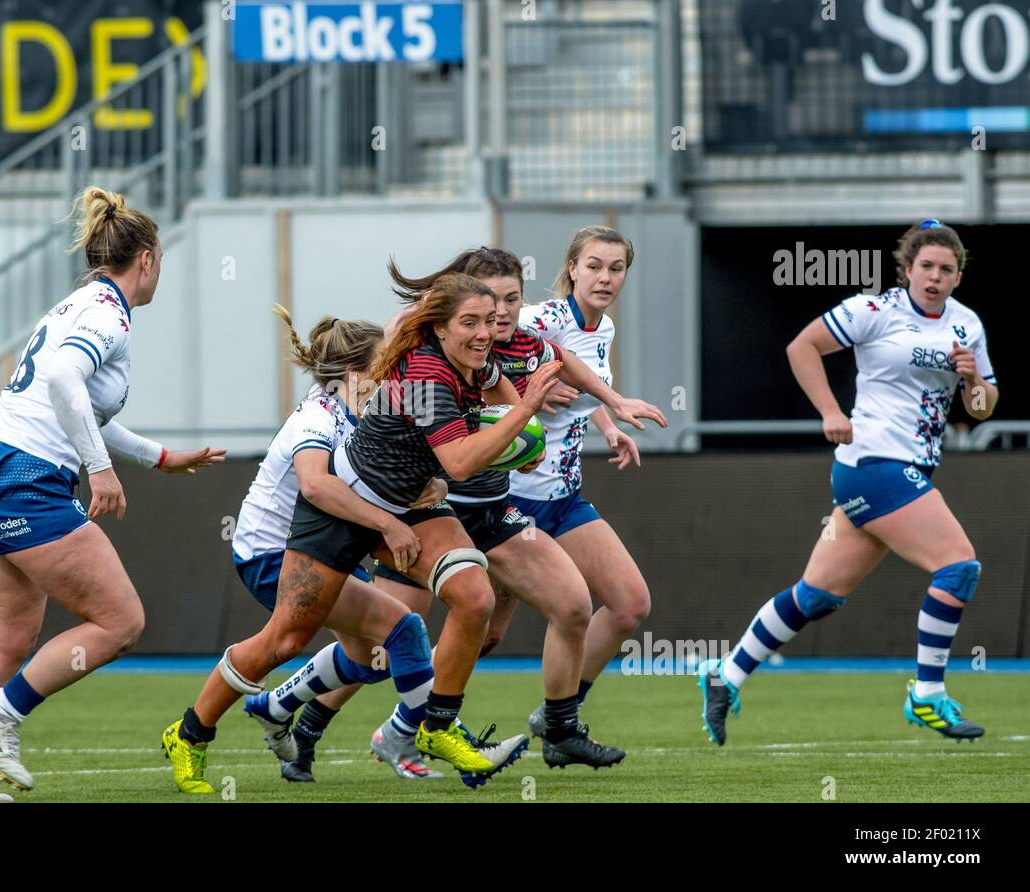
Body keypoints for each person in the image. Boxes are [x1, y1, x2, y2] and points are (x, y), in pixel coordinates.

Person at [275, 247, 665, 780]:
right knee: (383, 646)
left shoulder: (517, 339)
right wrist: (521, 412)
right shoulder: (443, 346)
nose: (502, 315)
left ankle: (537, 725)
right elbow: (411, 385)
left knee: (565, 607)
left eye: (511, 300)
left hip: (497, 509)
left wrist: (611, 406)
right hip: (433, 510)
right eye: (490, 305)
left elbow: (556, 361)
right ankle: (307, 721)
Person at [162, 272, 559, 794]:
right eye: (471, 321)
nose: (487, 331)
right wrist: (525, 415)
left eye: (490, 320)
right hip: (305, 532)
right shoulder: (373, 396)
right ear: (437, 330)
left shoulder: (455, 366)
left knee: (442, 611)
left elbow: (480, 418)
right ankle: (189, 734)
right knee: (286, 640)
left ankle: (427, 726)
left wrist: (512, 441)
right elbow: (338, 485)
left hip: (383, 509)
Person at [0, 186, 224, 803]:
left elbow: (76, 403)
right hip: (22, 478)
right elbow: (62, 381)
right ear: (149, 257)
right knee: (121, 620)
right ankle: (4, 715)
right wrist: (101, 470)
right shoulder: (109, 315)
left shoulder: (77, 304)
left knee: (6, 641)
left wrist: (157, 458)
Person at [698, 220, 998, 744]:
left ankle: (726, 675)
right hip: (874, 464)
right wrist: (829, 411)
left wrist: (974, 380)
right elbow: (802, 347)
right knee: (958, 567)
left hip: (903, 470)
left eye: (945, 270)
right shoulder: (875, 309)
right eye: (925, 266)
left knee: (817, 596)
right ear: (907, 270)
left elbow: (981, 409)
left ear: (957, 277)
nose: (934, 277)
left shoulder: (966, 325)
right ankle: (926, 696)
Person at [235, 307, 469, 783]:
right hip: (274, 555)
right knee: (392, 636)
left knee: (372, 658)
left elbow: (396, 474)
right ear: (354, 373)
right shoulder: (318, 417)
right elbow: (317, 486)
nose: (393, 372)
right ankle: (442, 731)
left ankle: (273, 706)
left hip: (326, 548)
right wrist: (390, 526)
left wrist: (436, 489)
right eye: (384, 363)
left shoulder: (368, 413)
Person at [488, 227, 658, 749]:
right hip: (512, 502)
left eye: (616, 268)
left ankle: (559, 719)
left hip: (563, 498)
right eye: (595, 266)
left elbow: (584, 386)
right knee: (486, 632)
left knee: (630, 605)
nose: (605, 277)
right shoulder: (543, 319)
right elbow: (481, 355)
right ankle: (389, 717)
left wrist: (609, 428)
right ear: (572, 268)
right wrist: (527, 390)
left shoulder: (601, 328)